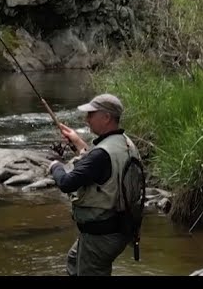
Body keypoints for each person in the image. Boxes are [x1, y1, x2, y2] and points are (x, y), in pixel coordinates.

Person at [47, 93, 143, 276]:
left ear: (106, 117)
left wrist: (55, 165)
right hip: (121, 229)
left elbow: (67, 183)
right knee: (74, 261)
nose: (87, 119)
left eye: (91, 114)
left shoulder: (101, 155)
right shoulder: (126, 143)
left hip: (102, 235)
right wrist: (77, 142)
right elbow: (101, 165)